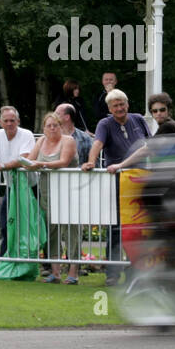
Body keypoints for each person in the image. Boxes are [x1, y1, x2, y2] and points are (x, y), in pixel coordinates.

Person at [81, 89, 151, 285]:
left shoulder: (138, 119)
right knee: (116, 227)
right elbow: (97, 143)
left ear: (127, 104)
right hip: (118, 181)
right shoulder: (105, 123)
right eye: (115, 105)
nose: (119, 108)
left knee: (138, 228)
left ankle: (137, 272)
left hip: (140, 180)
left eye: (122, 104)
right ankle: (112, 273)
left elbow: (151, 144)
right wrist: (91, 161)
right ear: (109, 108)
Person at [0, 107, 38, 280]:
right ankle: (5, 261)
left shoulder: (26, 134)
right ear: (0, 122)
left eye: (12, 120)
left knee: (34, 227)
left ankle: (44, 265)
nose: (9, 123)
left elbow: (23, 159)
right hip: (12, 188)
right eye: (5, 120)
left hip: (30, 187)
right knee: (7, 224)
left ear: (18, 122)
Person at [28, 113, 79, 284]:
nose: (51, 128)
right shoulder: (41, 141)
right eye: (48, 125)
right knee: (51, 233)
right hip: (47, 195)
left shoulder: (68, 141)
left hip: (68, 193)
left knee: (71, 232)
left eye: (55, 125)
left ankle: (73, 273)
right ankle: (55, 273)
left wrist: (41, 165)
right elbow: (29, 161)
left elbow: (64, 162)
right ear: (43, 128)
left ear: (61, 126)